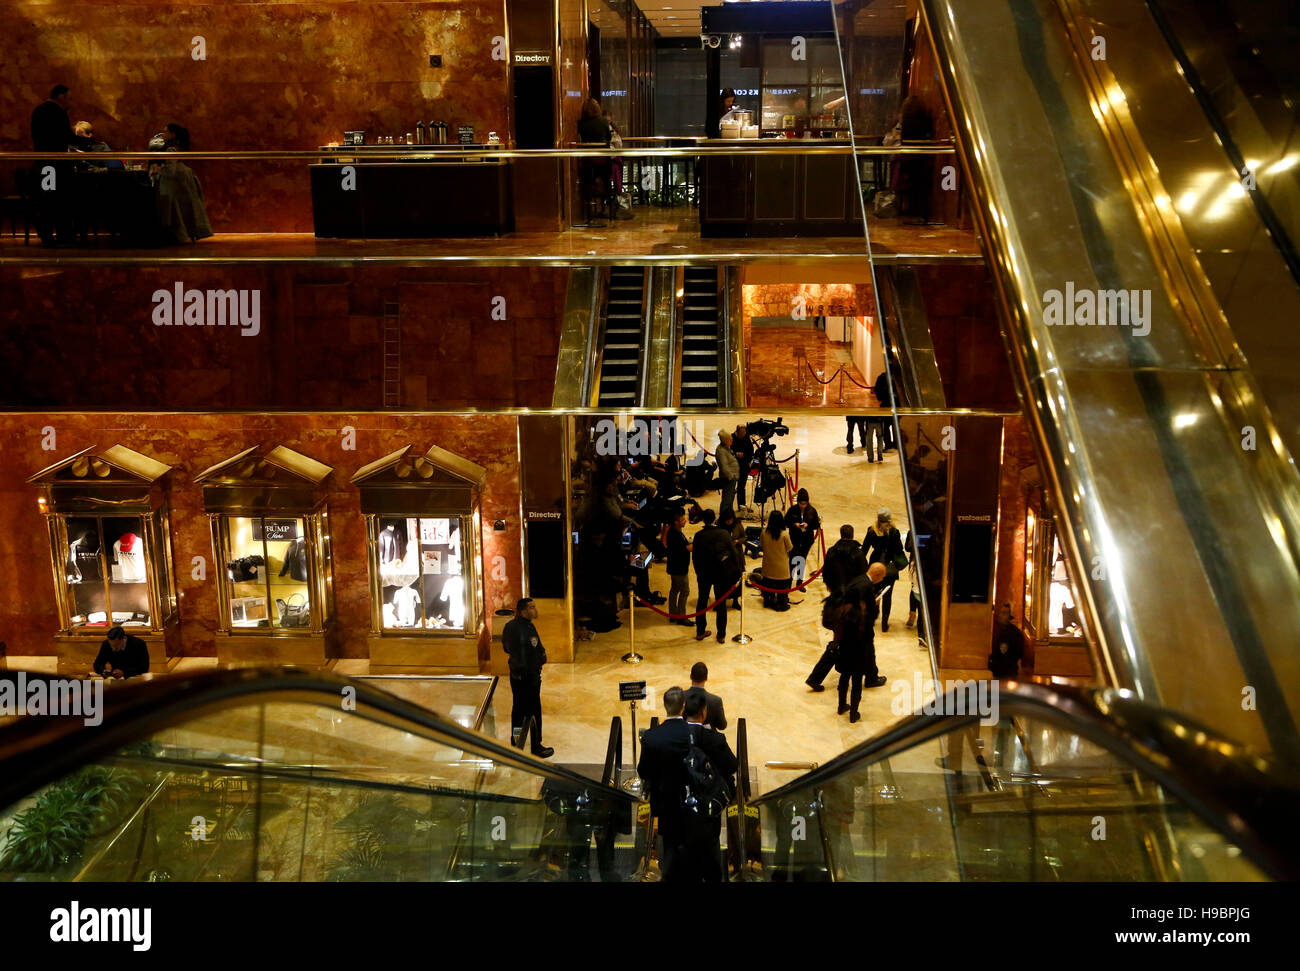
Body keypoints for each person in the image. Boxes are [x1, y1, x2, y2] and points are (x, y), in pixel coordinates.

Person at [637, 686, 737, 882]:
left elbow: (644, 772)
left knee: (672, 863)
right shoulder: (709, 738)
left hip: (669, 810)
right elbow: (732, 766)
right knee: (709, 863)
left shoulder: (652, 737)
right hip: (705, 814)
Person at [502, 597, 554, 758]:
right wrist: (533, 666)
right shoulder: (523, 629)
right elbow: (528, 652)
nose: (535, 610)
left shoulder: (513, 626)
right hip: (528, 678)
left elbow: (506, 648)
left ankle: (516, 743)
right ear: (523, 610)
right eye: (532, 607)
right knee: (533, 712)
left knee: (517, 710)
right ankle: (536, 745)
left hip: (518, 676)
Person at [834, 595, 885, 723]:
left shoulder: (844, 613)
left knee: (844, 678)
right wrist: (876, 607)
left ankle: (841, 705)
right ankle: (853, 713)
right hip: (859, 654)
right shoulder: (864, 619)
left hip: (845, 652)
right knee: (857, 684)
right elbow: (870, 634)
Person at [692, 509, 740, 643]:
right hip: (721, 574)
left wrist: (698, 572)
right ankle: (721, 634)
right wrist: (735, 571)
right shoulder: (724, 533)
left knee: (702, 601)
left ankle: (700, 631)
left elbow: (695, 557)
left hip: (704, 574)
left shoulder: (698, 536)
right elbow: (733, 553)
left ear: (703, 520)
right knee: (721, 603)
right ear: (714, 519)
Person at [864, 508, 905, 632]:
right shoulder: (894, 532)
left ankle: (871, 620)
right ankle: (884, 624)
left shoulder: (871, 531)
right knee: (887, 595)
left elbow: (864, 550)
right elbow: (899, 549)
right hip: (889, 567)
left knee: (874, 594)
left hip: (875, 565)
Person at [783, 487, 820, 585]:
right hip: (794, 539)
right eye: (801, 504)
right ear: (798, 502)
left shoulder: (812, 511)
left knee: (801, 561)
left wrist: (808, 526)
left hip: (806, 540)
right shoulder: (792, 510)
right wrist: (794, 524)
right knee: (792, 561)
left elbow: (816, 525)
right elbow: (785, 522)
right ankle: (789, 582)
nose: (802, 506)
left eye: (804, 504)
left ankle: (799, 583)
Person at [759, 510, 793, 610]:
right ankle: (781, 604)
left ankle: (768, 600)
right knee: (782, 588)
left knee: (768, 586)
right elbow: (790, 548)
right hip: (781, 569)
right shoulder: (784, 535)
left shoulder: (764, 532)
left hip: (768, 566)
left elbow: (761, 545)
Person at [822, 524, 867, 597]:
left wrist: (828, 583)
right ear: (852, 535)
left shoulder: (831, 551)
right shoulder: (858, 553)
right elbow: (863, 572)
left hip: (836, 588)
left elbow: (826, 569)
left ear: (841, 534)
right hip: (853, 590)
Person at [665, 512, 693, 627]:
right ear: (676, 522)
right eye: (682, 520)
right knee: (684, 591)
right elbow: (684, 549)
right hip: (679, 568)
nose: (685, 521)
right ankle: (681, 616)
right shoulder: (674, 534)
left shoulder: (675, 531)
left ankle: (673, 614)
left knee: (675, 589)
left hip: (675, 566)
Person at [684, 661, 727, 731]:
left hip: (685, 739)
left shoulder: (680, 697)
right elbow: (722, 726)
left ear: (690, 676)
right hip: (709, 740)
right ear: (706, 678)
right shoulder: (716, 701)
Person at [717, 507, 746, 609]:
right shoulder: (720, 526)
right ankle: (722, 601)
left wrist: (737, 541)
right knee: (723, 580)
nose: (729, 522)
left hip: (736, 557)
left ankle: (735, 600)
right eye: (727, 520)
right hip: (724, 558)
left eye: (730, 519)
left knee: (737, 579)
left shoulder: (738, 525)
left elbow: (744, 537)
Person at [988, 602, 1025, 679]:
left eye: (1004, 613)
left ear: (1009, 616)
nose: (1001, 615)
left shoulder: (1015, 633)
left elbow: (1019, 653)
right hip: (999, 672)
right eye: (1001, 613)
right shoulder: (999, 630)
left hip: (1007, 674)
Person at [715, 430, 739, 518]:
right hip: (728, 479)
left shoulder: (726, 448)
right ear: (725, 440)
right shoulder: (721, 451)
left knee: (730, 501)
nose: (732, 440)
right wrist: (731, 477)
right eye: (730, 439)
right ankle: (723, 519)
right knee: (726, 501)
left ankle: (729, 517)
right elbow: (724, 467)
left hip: (731, 479)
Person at [731, 424, 753, 515]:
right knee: (731, 487)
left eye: (745, 432)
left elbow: (751, 451)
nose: (744, 434)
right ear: (737, 431)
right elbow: (728, 451)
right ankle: (729, 507)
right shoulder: (731, 438)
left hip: (744, 467)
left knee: (741, 487)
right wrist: (736, 454)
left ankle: (742, 506)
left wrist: (746, 457)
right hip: (734, 467)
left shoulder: (746, 437)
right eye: (742, 432)